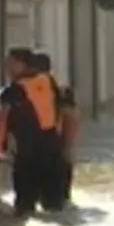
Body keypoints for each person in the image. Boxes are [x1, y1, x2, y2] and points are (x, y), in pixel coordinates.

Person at [0, 47, 68, 215]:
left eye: (10, 64)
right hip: (53, 151)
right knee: (55, 207)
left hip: (27, 154)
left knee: (25, 208)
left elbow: (1, 120)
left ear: (21, 64)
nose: (6, 68)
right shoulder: (49, 81)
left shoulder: (13, 90)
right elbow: (61, 113)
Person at [32, 51, 79, 204]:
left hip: (54, 151)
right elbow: (71, 119)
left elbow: (69, 119)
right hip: (51, 151)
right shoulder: (57, 91)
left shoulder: (57, 92)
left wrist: (66, 147)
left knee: (54, 201)